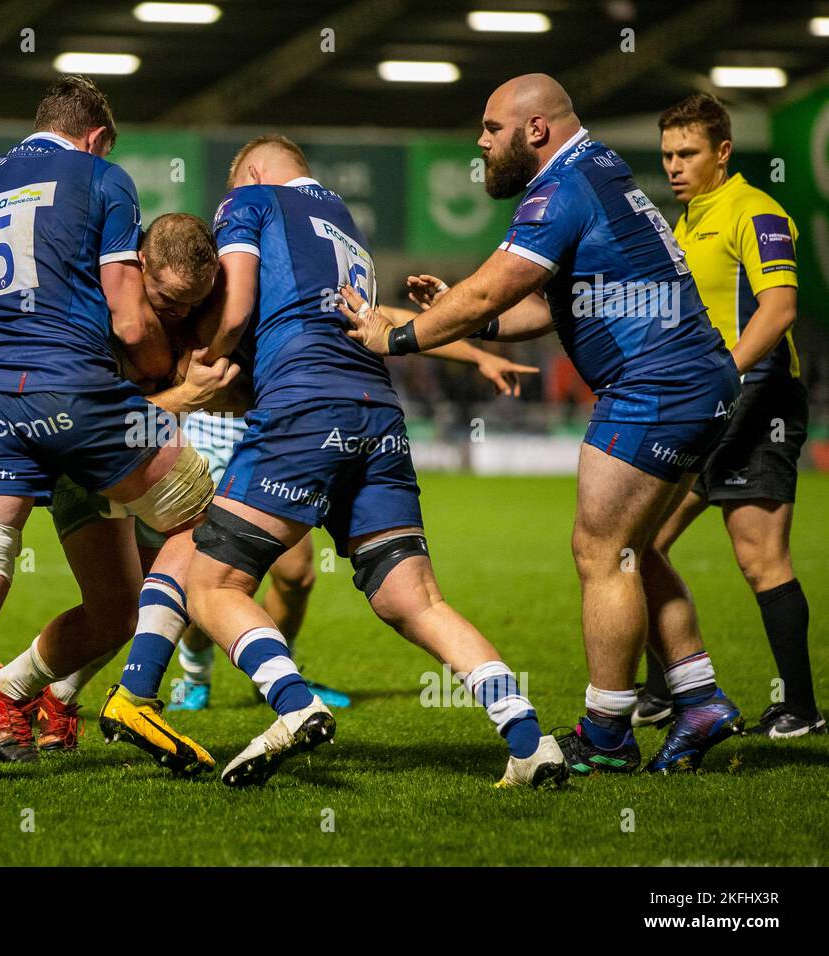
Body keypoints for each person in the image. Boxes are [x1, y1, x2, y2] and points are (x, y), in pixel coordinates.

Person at [106, 134, 567, 789]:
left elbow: (234, 312)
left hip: (303, 408)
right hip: (377, 410)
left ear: (253, 171)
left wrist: (198, 370)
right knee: (416, 600)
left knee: (211, 586)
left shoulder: (250, 198)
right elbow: (372, 318)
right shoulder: (343, 225)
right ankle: (529, 738)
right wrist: (472, 350)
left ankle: (293, 704)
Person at [343, 74, 745, 774]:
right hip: (689, 379)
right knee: (633, 550)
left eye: (491, 128)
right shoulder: (597, 172)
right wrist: (467, 314)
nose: (481, 141)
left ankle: (608, 732)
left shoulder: (561, 188)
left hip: (655, 386)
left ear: (535, 130)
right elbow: (539, 306)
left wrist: (401, 337)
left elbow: (495, 285)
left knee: (601, 551)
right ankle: (699, 697)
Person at [0, 76, 219, 788]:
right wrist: (180, 385)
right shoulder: (104, 178)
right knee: (209, 523)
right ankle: (133, 695)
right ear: (97, 136)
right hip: (79, 399)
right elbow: (130, 323)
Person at [633, 94, 821, 738]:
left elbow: (779, 309)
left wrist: (727, 370)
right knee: (641, 544)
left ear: (722, 151)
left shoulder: (757, 210)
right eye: (667, 156)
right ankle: (664, 693)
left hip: (760, 396)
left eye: (687, 153)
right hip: (705, 404)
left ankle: (799, 707)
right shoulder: (684, 224)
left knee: (760, 557)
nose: (675, 166)